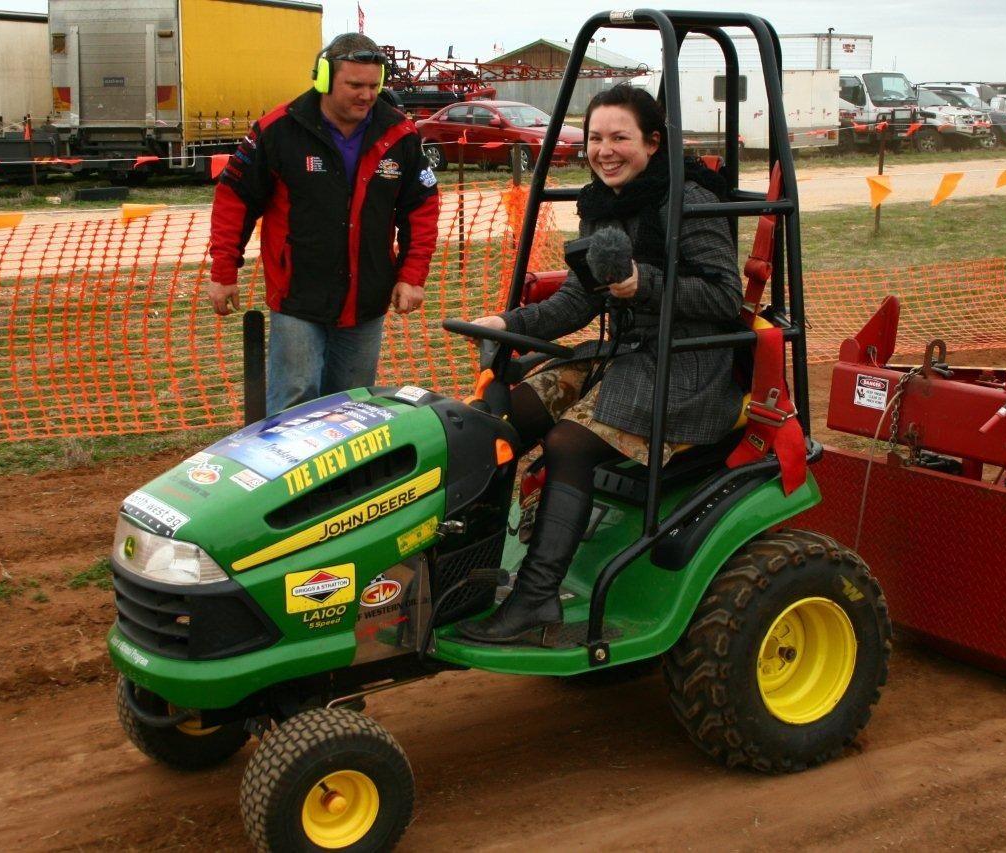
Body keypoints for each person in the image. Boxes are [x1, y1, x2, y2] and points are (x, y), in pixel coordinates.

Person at [458, 84, 745, 645]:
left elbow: (723, 298)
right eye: (595, 137)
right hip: (629, 358)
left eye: (620, 138)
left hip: (689, 367)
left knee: (569, 440)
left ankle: (537, 598)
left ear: (654, 143)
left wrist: (644, 283)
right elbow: (576, 302)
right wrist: (508, 323)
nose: (604, 150)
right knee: (501, 415)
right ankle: (469, 569)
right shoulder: (601, 207)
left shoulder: (690, 202)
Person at [207, 33, 440, 416]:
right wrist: (223, 270)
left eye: (373, 85)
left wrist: (412, 276)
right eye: (355, 85)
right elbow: (235, 200)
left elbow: (422, 208)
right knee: (295, 403)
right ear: (324, 79)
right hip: (298, 293)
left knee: (352, 409)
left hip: (367, 297)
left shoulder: (399, 134)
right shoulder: (278, 130)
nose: (366, 95)